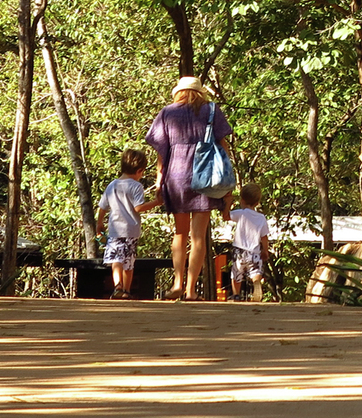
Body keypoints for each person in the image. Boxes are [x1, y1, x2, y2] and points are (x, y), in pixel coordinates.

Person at [146, 75, 235, 300]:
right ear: (199, 92)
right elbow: (223, 145)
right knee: (198, 237)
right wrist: (227, 179)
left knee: (180, 232)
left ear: (178, 92)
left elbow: (161, 151)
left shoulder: (167, 113)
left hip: (176, 176)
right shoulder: (211, 110)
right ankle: (191, 290)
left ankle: (177, 284)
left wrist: (159, 180)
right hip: (205, 175)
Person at [97, 149, 161, 299]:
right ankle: (126, 290)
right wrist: (156, 202)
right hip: (131, 230)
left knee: (116, 259)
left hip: (114, 230)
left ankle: (117, 286)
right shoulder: (136, 186)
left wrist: (99, 223)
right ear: (139, 170)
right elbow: (138, 207)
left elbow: (102, 207)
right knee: (129, 262)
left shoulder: (112, 185)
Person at [228, 184, 272, 300]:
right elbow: (264, 237)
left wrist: (227, 203)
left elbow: (226, 216)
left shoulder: (240, 214)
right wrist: (265, 251)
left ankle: (236, 295)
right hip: (254, 251)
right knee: (255, 271)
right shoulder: (261, 218)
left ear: (241, 200)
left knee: (236, 274)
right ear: (257, 203)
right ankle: (256, 283)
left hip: (239, 251)